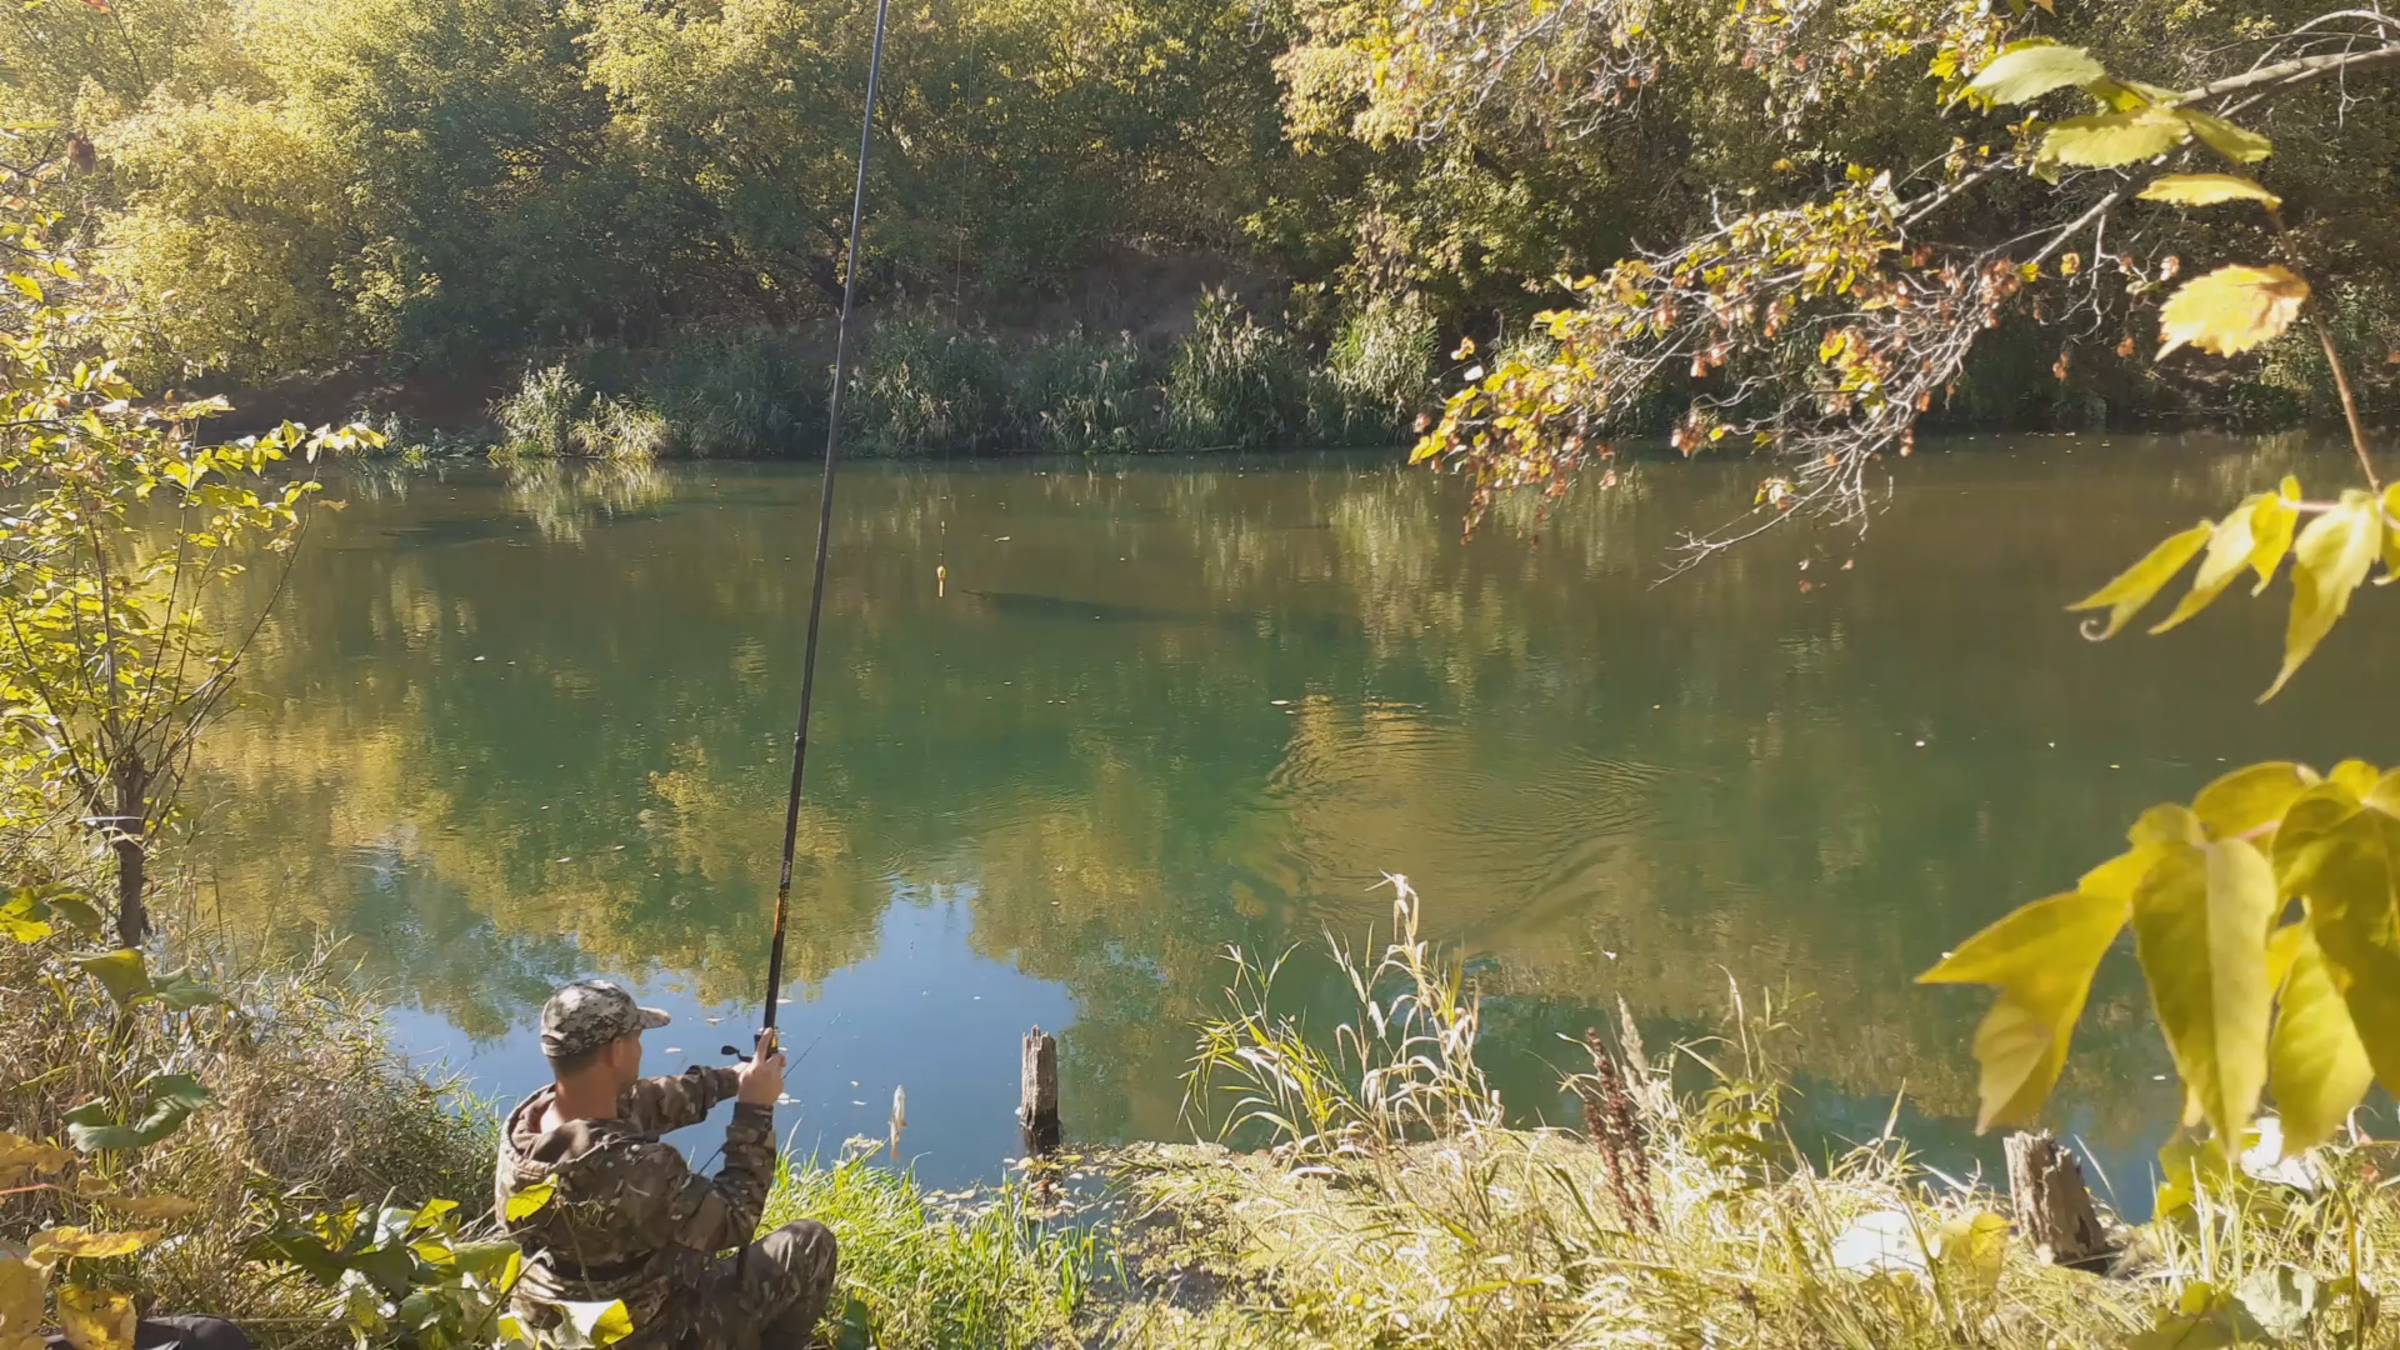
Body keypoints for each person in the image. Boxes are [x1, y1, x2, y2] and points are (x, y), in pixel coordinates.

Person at [494, 980, 837, 1349]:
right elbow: (736, 1219)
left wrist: (733, 1080)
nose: (641, 1050)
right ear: (616, 1051)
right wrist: (755, 1112)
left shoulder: (527, 1126)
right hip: (652, 1333)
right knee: (811, 1244)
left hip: (553, 1318)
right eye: (637, 1039)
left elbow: (644, 1102)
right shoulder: (639, 1168)